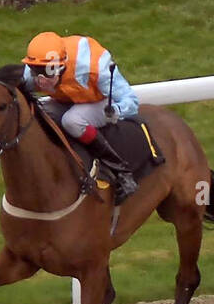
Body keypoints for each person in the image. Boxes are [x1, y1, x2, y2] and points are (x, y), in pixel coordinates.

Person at [22, 31, 141, 196]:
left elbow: (131, 101)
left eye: (47, 73)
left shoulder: (95, 67)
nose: (40, 80)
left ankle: (121, 171)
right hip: (69, 99)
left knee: (73, 121)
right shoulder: (33, 72)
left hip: (100, 101)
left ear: (61, 67)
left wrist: (116, 111)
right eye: (36, 71)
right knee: (41, 116)